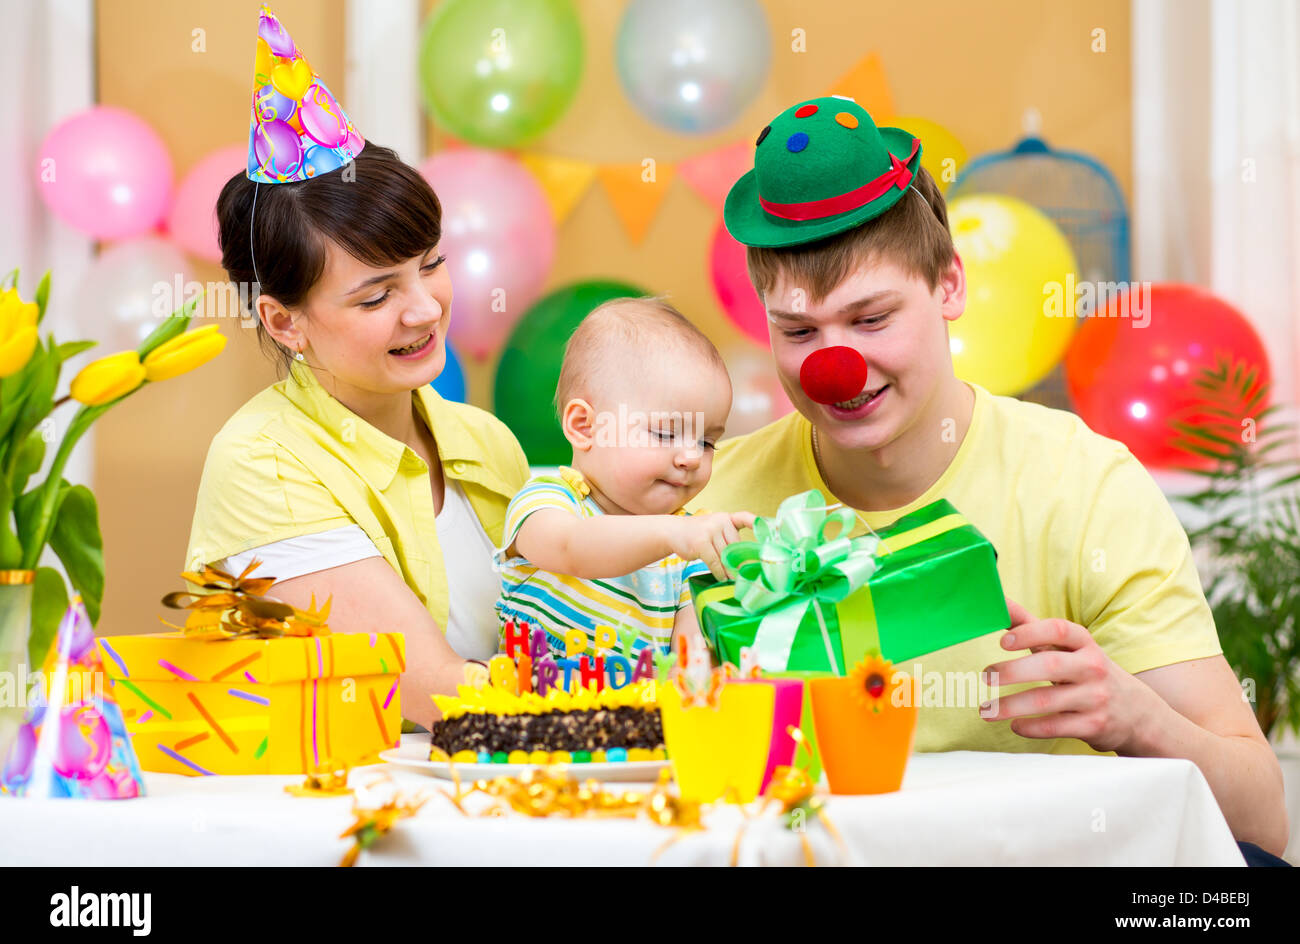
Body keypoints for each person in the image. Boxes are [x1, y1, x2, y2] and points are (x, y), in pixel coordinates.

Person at [690, 95, 1289, 858]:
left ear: (949, 287)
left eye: (872, 319)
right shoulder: (705, 510)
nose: (832, 369)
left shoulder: (1085, 484)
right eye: (799, 331)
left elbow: (1262, 825)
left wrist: (1138, 718)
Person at [186, 9, 527, 730]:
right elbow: (432, 689)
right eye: (376, 295)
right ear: (284, 321)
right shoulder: (263, 462)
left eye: (430, 265)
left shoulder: (487, 443)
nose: (423, 310)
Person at [493, 298, 754, 658]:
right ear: (585, 426)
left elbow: (689, 662)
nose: (692, 457)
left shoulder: (686, 553)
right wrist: (671, 533)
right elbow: (572, 549)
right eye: (665, 434)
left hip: (641, 713)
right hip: (532, 711)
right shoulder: (547, 502)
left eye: (707, 441)